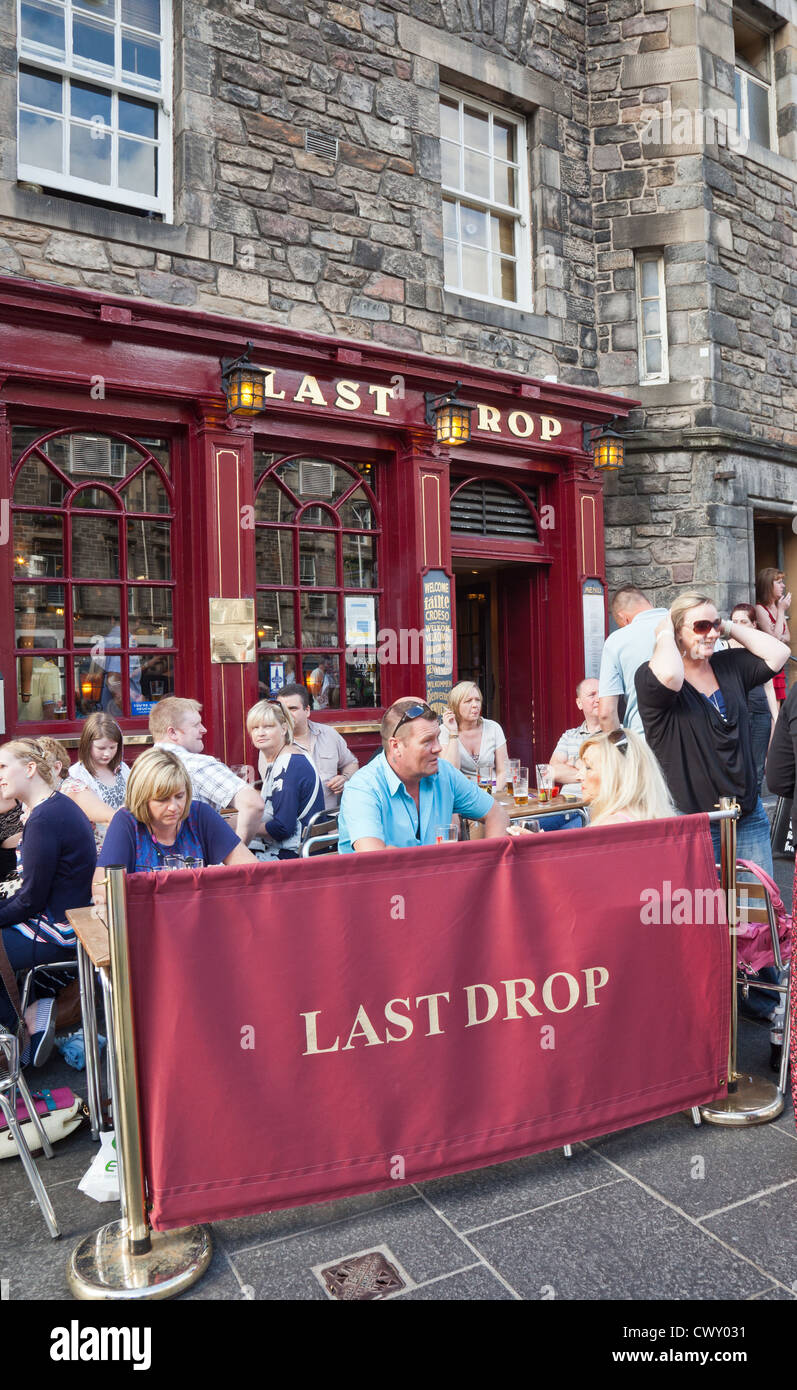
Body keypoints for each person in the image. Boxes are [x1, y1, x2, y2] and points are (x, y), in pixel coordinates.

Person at [635, 590, 790, 872]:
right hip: (691, 819)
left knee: (755, 910)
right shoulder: (651, 675)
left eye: (714, 624)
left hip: (746, 815)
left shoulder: (727, 665)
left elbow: (780, 654)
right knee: (699, 910)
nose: (711, 634)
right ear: (678, 632)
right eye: (700, 627)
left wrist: (728, 625)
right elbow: (671, 674)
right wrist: (664, 634)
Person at [0, 739, 95, 1067]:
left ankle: (14, 1046)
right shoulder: (52, 807)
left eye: (2, 767)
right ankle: (30, 1020)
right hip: (63, 921)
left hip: (58, 931)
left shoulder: (44, 818)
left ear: (29, 769)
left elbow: (30, 900)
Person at [338, 697, 509, 852]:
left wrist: (489, 866)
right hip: (384, 886)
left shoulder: (444, 772)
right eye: (427, 741)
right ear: (396, 746)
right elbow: (374, 857)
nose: (438, 748)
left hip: (437, 882)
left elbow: (497, 814)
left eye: (437, 738)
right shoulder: (363, 787)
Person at [93, 748, 255, 907]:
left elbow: (253, 870)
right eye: (162, 799)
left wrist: (219, 879)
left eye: (179, 796)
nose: (174, 807)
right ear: (142, 798)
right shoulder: (127, 822)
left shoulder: (200, 814)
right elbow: (101, 889)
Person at [149, 697, 265, 845]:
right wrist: (238, 854)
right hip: (198, 863)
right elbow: (253, 804)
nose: (204, 729)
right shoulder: (197, 765)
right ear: (173, 733)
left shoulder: (139, 769)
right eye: (196, 725)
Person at [246, 700, 325, 858]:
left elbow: (283, 828)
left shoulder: (288, 765)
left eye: (268, 726)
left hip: (293, 855)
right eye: (255, 727)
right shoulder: (287, 756)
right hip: (293, 849)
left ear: (284, 729)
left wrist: (242, 826)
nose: (260, 733)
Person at [598, 586, 670, 737]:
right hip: (698, 741)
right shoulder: (695, 626)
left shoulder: (617, 640)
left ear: (624, 618)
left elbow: (606, 713)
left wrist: (622, 750)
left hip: (645, 741)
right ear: (649, 602)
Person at [277, 683, 358, 811]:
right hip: (294, 821)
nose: (286, 714)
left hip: (331, 818)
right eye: (282, 710)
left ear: (307, 710)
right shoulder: (273, 743)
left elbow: (351, 763)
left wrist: (344, 778)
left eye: (292, 709)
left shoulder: (329, 734)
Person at [577, 728, 675, 827]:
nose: (578, 776)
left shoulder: (608, 826)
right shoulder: (663, 820)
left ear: (615, 775)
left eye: (588, 767)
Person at [728, 604, 778, 794]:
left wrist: (776, 717)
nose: (738, 625)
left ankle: (753, 807)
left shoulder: (760, 649)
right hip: (733, 711)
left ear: (754, 624)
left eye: (743, 621)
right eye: (735, 622)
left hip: (758, 711)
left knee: (757, 766)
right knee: (734, 763)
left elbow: (769, 686)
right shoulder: (722, 647)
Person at [60, 714, 130, 833]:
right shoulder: (76, 774)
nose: (107, 753)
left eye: (112, 747)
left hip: (126, 835)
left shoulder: (123, 769)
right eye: (101, 748)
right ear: (87, 745)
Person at [439, 682, 508, 789]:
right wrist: (453, 733)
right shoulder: (444, 731)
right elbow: (451, 772)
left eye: (478, 700)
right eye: (468, 701)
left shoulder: (493, 727)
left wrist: (495, 795)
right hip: (463, 795)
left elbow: (503, 770)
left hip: (493, 792)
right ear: (455, 706)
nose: (475, 705)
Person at [548, 677, 601, 789]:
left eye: (602, 694)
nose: (598, 699)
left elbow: (610, 774)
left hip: (598, 805)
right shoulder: (569, 736)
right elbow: (553, 771)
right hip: (566, 805)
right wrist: (590, 771)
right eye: (592, 695)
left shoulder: (618, 734)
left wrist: (574, 763)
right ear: (579, 703)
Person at [755, 567, 791, 705]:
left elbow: (787, 636)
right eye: (779, 582)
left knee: (779, 704)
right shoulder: (760, 609)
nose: (783, 586)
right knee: (771, 706)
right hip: (767, 664)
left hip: (779, 662)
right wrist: (781, 611)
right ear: (768, 585)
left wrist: (779, 635)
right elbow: (775, 639)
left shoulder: (776, 607)